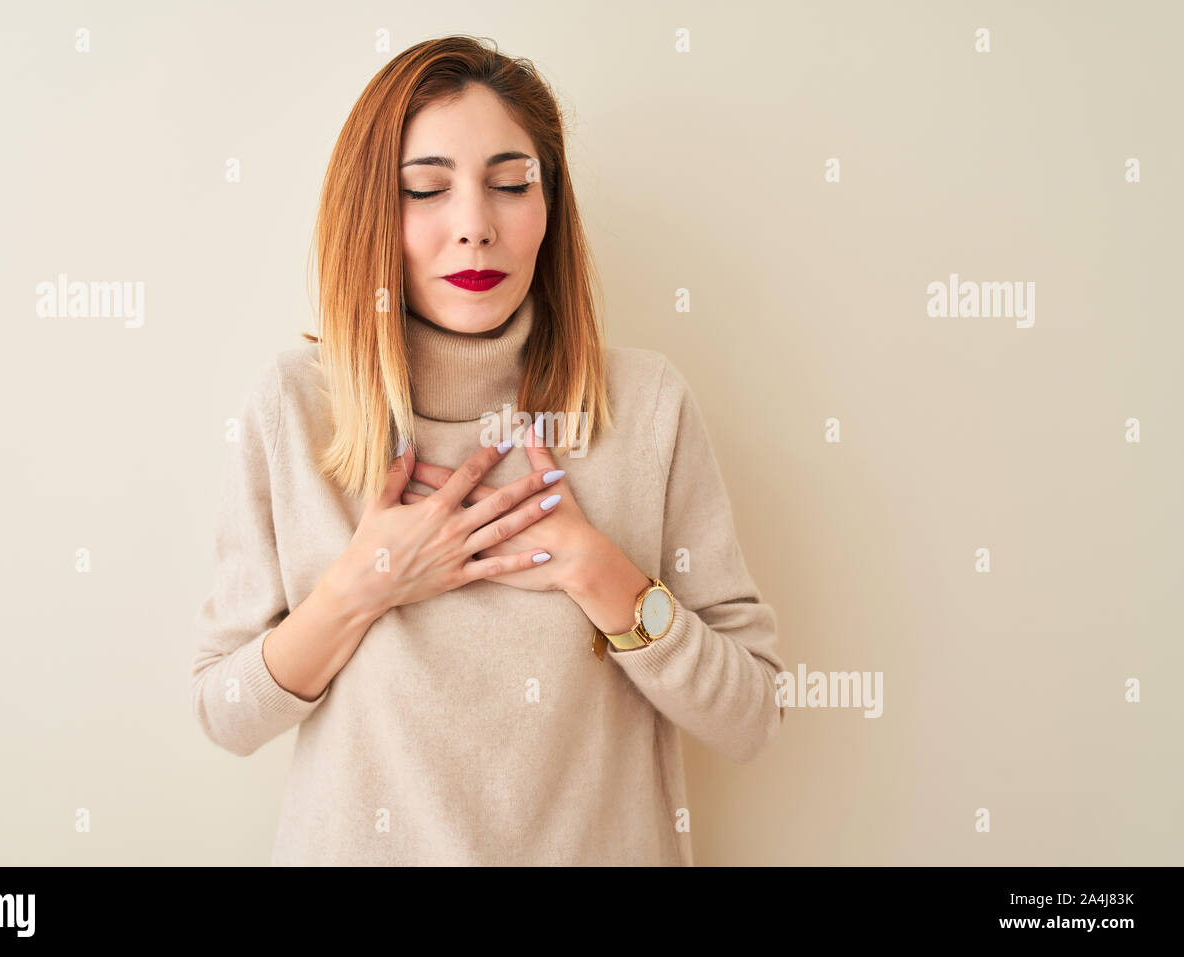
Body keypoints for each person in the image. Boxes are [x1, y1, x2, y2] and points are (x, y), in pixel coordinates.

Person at [190, 34, 785, 866]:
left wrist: (601, 575)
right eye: (427, 189)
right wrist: (358, 590)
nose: (475, 226)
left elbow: (752, 714)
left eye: (510, 184)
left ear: (550, 209)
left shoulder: (646, 407)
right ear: (375, 215)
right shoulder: (296, 407)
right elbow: (224, 710)